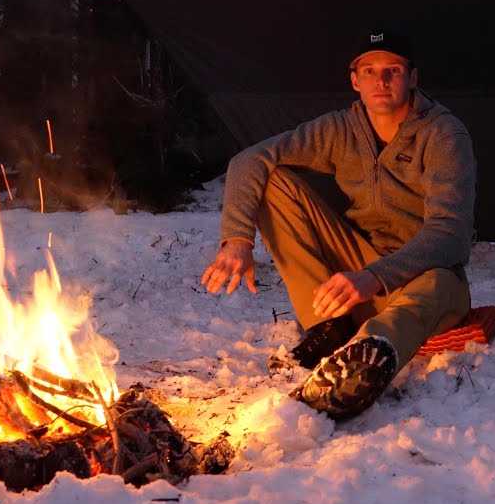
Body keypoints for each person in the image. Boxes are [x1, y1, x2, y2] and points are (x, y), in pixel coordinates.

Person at [200, 30, 476, 420]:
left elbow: (451, 234)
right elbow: (249, 160)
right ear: (354, 80)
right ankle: (329, 326)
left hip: (425, 275)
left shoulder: (443, 134)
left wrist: (373, 277)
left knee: (439, 282)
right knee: (273, 180)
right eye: (369, 70)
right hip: (361, 267)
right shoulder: (341, 129)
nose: (380, 81)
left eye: (392, 70)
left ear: (412, 77)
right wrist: (237, 240)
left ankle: (364, 358)